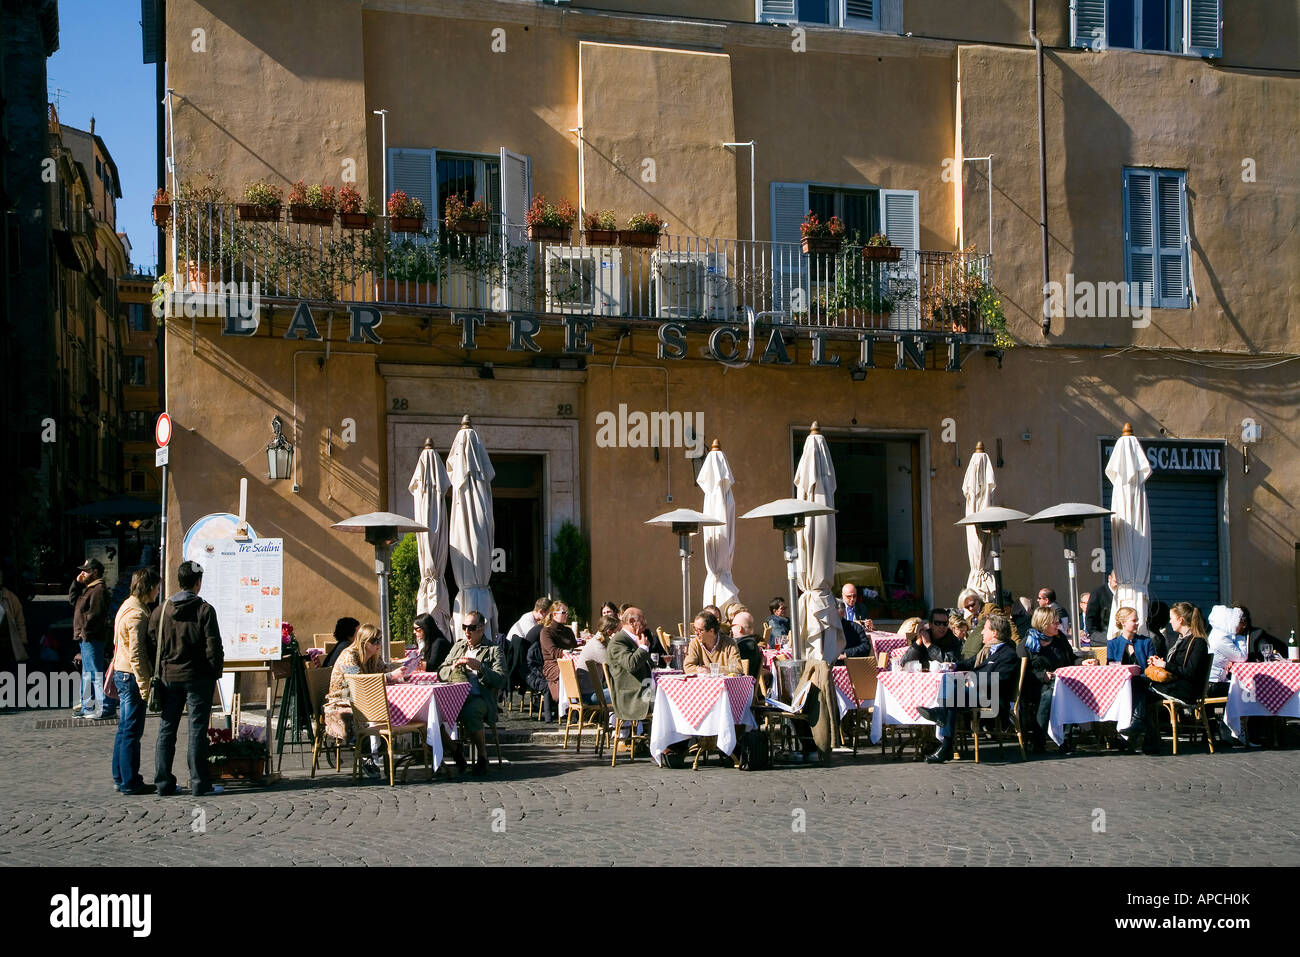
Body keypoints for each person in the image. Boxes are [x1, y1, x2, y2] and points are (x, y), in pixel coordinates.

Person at [145, 560, 224, 796]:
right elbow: (213, 647)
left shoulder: (161, 611)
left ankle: (163, 783)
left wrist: (158, 668)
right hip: (198, 677)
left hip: (169, 676)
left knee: (167, 728)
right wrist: (214, 673)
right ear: (198, 583)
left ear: (179, 581)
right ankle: (200, 782)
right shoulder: (204, 610)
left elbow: (150, 643)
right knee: (197, 729)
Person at [921, 612, 1020, 763]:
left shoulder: (1008, 653)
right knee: (948, 679)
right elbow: (970, 662)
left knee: (952, 699)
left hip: (991, 697)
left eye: (985, 629)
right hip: (976, 693)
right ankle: (944, 737)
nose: (981, 632)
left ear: (994, 633)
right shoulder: (987, 649)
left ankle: (942, 726)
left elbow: (1000, 679)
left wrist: (974, 680)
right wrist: (953, 665)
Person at [323, 622, 412, 777]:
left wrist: (404, 669)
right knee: (364, 716)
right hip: (342, 699)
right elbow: (357, 682)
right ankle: (368, 758)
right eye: (374, 641)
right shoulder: (349, 655)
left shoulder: (372, 656)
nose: (378, 644)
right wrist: (391, 676)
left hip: (364, 698)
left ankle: (382, 754)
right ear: (364, 642)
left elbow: (385, 669)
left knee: (386, 710)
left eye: (379, 640)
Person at [111, 567, 161, 795]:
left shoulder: (127, 606)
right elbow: (137, 654)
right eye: (157, 587)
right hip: (131, 675)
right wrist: (145, 686)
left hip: (122, 672)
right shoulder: (138, 614)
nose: (158, 592)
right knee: (132, 730)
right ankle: (130, 780)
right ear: (149, 588)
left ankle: (120, 776)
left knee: (124, 729)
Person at [438, 610, 506, 776]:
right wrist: (453, 668)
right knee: (432, 713)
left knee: (471, 711)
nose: (467, 631)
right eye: (464, 627)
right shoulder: (458, 646)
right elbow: (441, 671)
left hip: (480, 696)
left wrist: (481, 668)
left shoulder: (493, 650)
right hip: (455, 696)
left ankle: (482, 757)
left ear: (481, 628)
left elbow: (501, 679)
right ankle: (455, 750)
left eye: (471, 627)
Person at [1142, 602, 1209, 754]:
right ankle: (1150, 736)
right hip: (1175, 685)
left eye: (1171, 618)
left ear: (1180, 620)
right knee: (1138, 684)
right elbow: (1175, 666)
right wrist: (1159, 662)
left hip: (1185, 690)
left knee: (1140, 689)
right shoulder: (1181, 639)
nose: (1169, 621)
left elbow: (1190, 672)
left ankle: (1150, 737)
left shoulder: (1197, 642)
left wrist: (1165, 665)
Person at [1020, 607, 1076, 753]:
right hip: (1034, 686)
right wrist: (1041, 675)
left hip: (1060, 684)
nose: (1058, 624)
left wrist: (1082, 663)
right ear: (1043, 624)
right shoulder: (1028, 643)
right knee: (1049, 694)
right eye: (1054, 622)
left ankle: (1066, 739)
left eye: (1057, 621)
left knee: (1070, 693)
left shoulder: (1059, 639)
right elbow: (1021, 672)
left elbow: (1071, 659)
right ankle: (1039, 740)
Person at [70, 557, 115, 720]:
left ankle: (107, 707)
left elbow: (96, 615)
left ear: (95, 572)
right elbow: (73, 601)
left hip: (92, 638)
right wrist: (76, 583)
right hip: (86, 638)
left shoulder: (99, 590)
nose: (83, 573)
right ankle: (87, 705)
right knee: (88, 673)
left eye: (86, 570)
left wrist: (85, 632)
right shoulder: (89, 588)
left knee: (95, 672)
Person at [1106, 606, 1153, 747]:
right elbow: (1111, 667)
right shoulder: (1113, 644)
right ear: (1123, 622)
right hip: (1120, 686)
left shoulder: (1145, 642)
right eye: (1134, 620)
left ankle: (1136, 724)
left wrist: (1140, 657)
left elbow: (1149, 668)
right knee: (1129, 685)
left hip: (1143, 684)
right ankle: (1131, 734)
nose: (1137, 623)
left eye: (1137, 620)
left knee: (1136, 681)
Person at [538, 600, 577, 705]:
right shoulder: (546, 632)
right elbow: (554, 652)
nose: (566, 615)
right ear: (554, 614)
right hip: (552, 664)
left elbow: (575, 647)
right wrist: (568, 652)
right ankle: (569, 703)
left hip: (571, 661)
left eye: (567, 612)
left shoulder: (568, 631)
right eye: (564, 613)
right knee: (568, 670)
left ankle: (583, 699)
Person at [0, 567, 29, 676]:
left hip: (6, 644)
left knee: (7, 670)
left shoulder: (10, 598)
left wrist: (23, 640)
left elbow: (20, 621)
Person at [730, 611, 764, 681]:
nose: (731, 629)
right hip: (748, 685)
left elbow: (733, 669)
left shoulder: (744, 646)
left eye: (732, 626)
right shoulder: (751, 642)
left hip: (741, 687)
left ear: (739, 628)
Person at [1085, 571, 1117, 643]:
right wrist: (1095, 635)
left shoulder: (1124, 593)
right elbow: (1090, 617)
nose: (1118, 584)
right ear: (1109, 578)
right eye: (1115, 581)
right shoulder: (1098, 593)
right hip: (1102, 634)